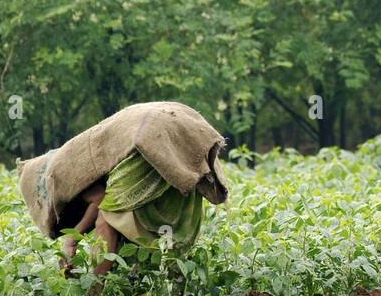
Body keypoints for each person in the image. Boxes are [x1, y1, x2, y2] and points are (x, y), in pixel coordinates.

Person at [16, 102, 230, 276]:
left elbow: (99, 200)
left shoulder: (62, 172)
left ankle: (94, 290)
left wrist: (72, 238)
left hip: (152, 134)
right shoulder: (76, 157)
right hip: (174, 124)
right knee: (141, 214)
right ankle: (167, 284)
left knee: (106, 219)